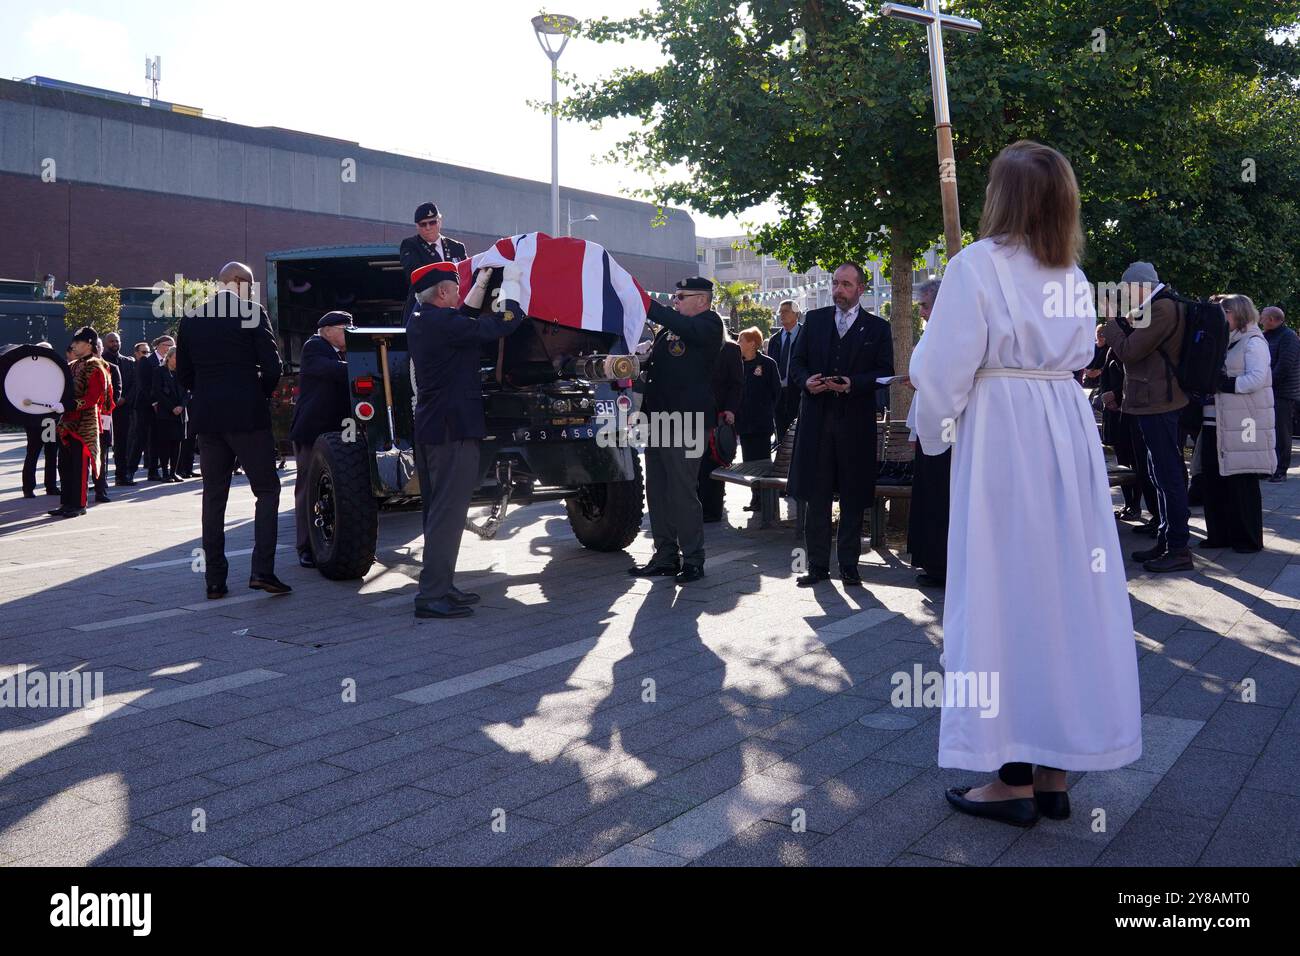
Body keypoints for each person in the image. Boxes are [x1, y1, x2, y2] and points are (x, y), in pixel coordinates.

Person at [911, 140, 1141, 827]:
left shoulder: (975, 265)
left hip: (1004, 438)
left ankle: (1011, 776)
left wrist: (931, 427)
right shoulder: (1070, 272)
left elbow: (945, 369)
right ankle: (1053, 771)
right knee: (1064, 594)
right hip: (1065, 433)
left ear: (1001, 197)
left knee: (1003, 595)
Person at [407, 261, 525, 618]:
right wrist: (515, 293)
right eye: (455, 289)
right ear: (442, 292)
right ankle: (431, 595)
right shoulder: (443, 323)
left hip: (434, 428)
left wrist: (480, 283)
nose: (460, 295)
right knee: (448, 512)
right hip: (452, 430)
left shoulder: (423, 319)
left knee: (438, 511)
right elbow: (499, 325)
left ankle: (441, 584)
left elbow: (464, 318)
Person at [176, 261, 289, 600]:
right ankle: (262, 571)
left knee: (214, 496)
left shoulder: (192, 318)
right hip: (246, 415)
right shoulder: (251, 313)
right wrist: (259, 393)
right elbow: (273, 366)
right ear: (239, 284)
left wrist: (208, 391)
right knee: (267, 490)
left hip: (208, 417)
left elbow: (184, 375)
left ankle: (214, 580)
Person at [787, 263, 894, 587]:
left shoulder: (877, 328)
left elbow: (883, 372)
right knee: (816, 497)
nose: (838, 290)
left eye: (846, 284)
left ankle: (849, 565)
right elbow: (797, 363)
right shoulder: (815, 321)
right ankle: (817, 566)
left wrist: (852, 383)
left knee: (852, 497)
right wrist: (807, 382)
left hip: (855, 426)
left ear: (861, 288)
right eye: (835, 283)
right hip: (817, 425)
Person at [628, 277, 724, 584]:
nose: (676, 301)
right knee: (657, 491)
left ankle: (693, 558)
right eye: (674, 296)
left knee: (682, 491)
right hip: (657, 419)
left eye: (681, 296)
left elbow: (679, 325)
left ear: (702, 300)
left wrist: (646, 302)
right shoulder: (671, 330)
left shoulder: (709, 324)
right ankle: (665, 555)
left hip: (687, 421)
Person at [1102, 261, 1193, 573]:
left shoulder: (1163, 309)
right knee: (1159, 475)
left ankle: (1179, 548)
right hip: (1153, 401)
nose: (1124, 293)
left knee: (1168, 475)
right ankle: (1168, 540)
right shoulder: (1156, 305)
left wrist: (1110, 322)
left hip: (1160, 402)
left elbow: (1128, 351)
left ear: (1139, 285)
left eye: (1127, 287)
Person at [1199, 295, 1274, 553]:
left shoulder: (1253, 342)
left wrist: (1222, 384)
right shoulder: (1229, 340)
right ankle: (1219, 534)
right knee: (1213, 480)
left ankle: (1246, 538)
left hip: (1244, 421)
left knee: (1242, 481)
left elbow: (1255, 378)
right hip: (1216, 420)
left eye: (1224, 314)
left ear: (1236, 313)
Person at [290, 311, 354, 568]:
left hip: (337, 433)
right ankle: (305, 546)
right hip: (312, 430)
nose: (349, 333)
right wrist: (365, 364)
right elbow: (332, 371)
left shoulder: (343, 352)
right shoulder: (314, 346)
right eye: (344, 328)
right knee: (307, 490)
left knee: (342, 491)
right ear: (326, 330)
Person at [904, 278, 949, 587]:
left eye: (925, 305)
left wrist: (921, 380)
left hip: (946, 425)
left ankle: (941, 562)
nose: (920, 311)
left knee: (941, 492)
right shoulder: (933, 331)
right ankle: (931, 559)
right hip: (931, 418)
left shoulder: (951, 331)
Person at [49, 327, 115, 519]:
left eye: (77, 343)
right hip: (67, 421)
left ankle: (79, 504)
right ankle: (66, 503)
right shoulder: (73, 365)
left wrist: (68, 405)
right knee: (65, 465)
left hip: (85, 423)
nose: (73, 346)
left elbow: (93, 397)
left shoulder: (96, 366)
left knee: (79, 466)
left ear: (89, 344)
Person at [698, 327, 743, 522]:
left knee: (714, 463)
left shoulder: (731, 349)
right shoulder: (694, 349)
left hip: (719, 416)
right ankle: (698, 507)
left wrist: (731, 410)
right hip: (695, 414)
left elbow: (737, 383)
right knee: (696, 464)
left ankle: (712, 510)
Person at [735, 326, 781, 512]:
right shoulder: (738, 364)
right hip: (744, 422)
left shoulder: (768, 364)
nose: (738, 344)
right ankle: (755, 499)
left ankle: (766, 500)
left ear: (752, 343)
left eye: (741, 341)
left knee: (762, 461)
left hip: (761, 422)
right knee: (748, 463)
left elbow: (776, 392)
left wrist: (766, 409)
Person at [1261, 306, 1298, 482]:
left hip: (1282, 392)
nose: (1261, 321)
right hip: (1266, 389)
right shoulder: (1265, 335)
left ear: (1273, 319)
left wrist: (1265, 382)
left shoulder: (1288, 337)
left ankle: (1280, 470)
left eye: (1263, 318)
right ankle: (1266, 467)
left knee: (1281, 431)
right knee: (1266, 431)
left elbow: (1284, 365)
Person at [21, 340, 60, 499]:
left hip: (50, 419)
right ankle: (28, 487)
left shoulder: (55, 370)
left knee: (51, 452)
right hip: (33, 419)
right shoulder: (27, 371)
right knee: (33, 451)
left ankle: (50, 485)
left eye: (49, 351)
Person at [399, 202, 468, 282]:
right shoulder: (410, 245)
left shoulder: (457, 247)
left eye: (432, 222)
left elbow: (467, 274)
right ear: (417, 226)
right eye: (423, 224)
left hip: (455, 293)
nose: (428, 228)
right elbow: (416, 274)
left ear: (440, 221)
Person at [101, 332, 135, 486]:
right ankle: (101, 478)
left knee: (123, 443)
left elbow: (135, 384)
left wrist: (125, 398)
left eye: (117, 341)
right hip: (105, 409)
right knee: (103, 444)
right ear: (105, 343)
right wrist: (112, 400)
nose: (114, 343)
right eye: (111, 341)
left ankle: (122, 475)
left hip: (123, 409)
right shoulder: (99, 362)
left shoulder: (128, 362)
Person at [766, 300, 803, 443]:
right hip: (779, 393)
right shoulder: (775, 339)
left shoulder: (805, 335)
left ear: (796, 314)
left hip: (799, 392)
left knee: (798, 435)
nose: (782, 315)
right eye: (780, 311)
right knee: (782, 435)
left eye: (786, 311)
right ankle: (782, 464)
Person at [153, 346, 188, 482]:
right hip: (165, 414)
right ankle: (165, 473)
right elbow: (158, 392)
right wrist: (172, 407)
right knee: (165, 444)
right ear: (169, 358)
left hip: (180, 413)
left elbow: (187, 392)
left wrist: (181, 406)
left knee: (177, 443)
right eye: (175, 357)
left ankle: (174, 472)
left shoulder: (182, 373)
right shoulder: (159, 371)